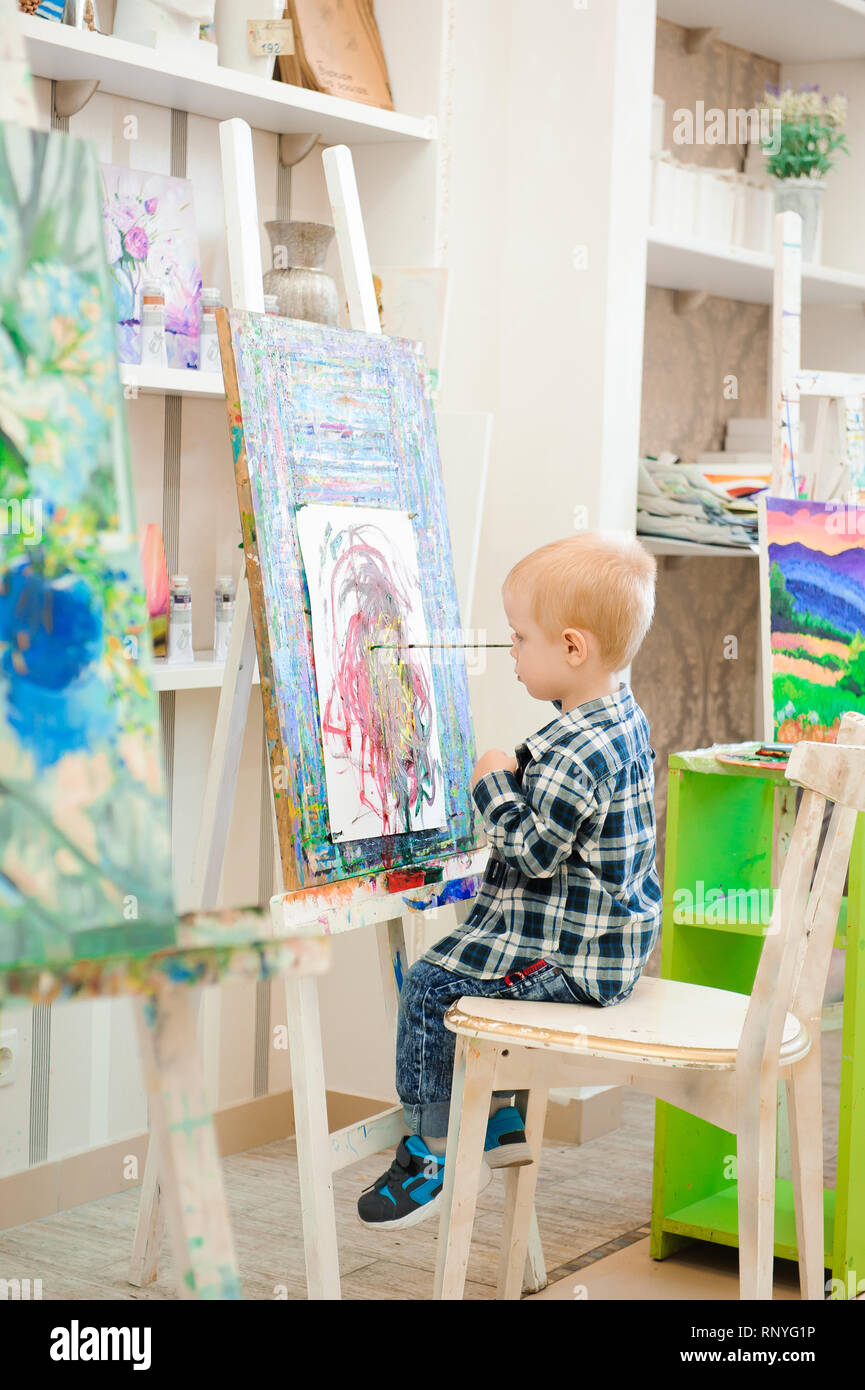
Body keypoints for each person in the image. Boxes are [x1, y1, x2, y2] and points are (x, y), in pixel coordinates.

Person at [357, 531, 661, 1229]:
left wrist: (493, 781)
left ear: (572, 648)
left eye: (521, 639)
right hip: (606, 941)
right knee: (470, 967)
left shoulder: (573, 752)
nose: (512, 654)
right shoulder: (615, 718)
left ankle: (430, 1150)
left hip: (576, 958)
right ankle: (496, 1119)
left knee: (433, 984)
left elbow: (529, 852)